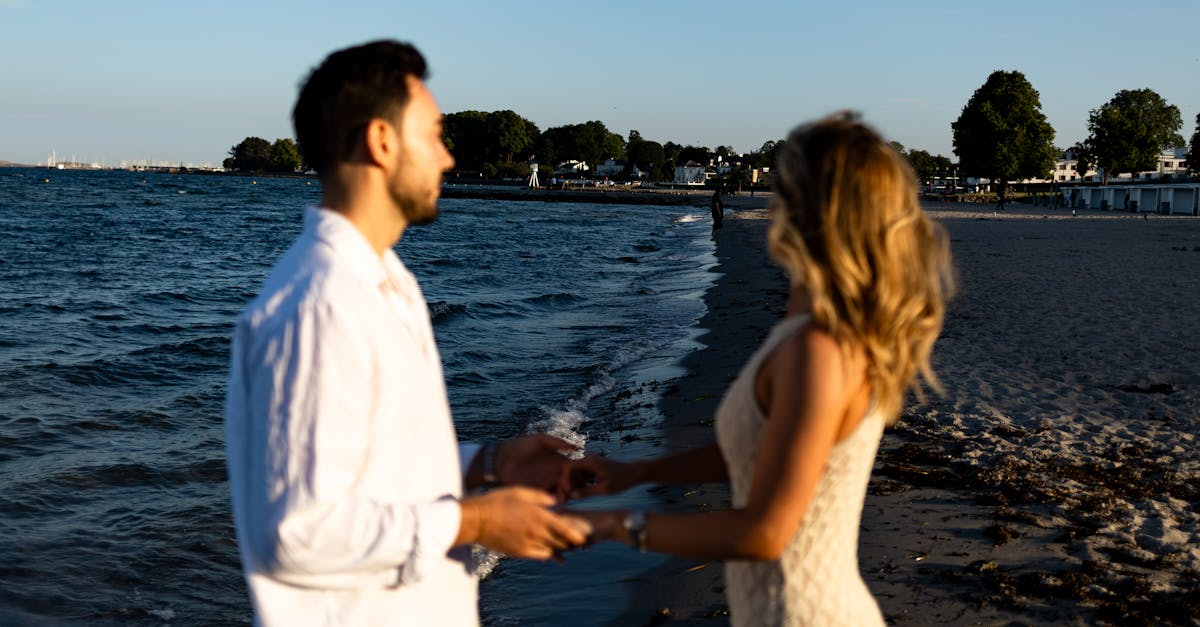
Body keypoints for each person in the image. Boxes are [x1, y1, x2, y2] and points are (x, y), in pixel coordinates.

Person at [223, 40, 590, 626]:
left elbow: (381, 468)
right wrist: (479, 521)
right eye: (436, 134)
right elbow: (296, 531)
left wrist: (488, 465)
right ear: (382, 141)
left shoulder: (387, 281)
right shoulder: (322, 305)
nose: (447, 158)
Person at [568, 113, 955, 626]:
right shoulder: (806, 324)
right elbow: (759, 451)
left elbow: (766, 532)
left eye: (782, 183)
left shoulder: (819, 349)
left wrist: (617, 526)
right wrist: (635, 473)